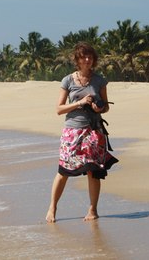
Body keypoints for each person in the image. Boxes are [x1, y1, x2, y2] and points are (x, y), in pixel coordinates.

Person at [46, 42, 118, 223]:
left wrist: (99, 107)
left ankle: (93, 209)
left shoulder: (100, 81)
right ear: (77, 60)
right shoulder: (68, 80)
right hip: (72, 130)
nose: (87, 60)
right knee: (64, 170)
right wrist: (80, 102)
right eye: (84, 57)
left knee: (94, 170)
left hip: (94, 131)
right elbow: (59, 109)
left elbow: (106, 107)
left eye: (90, 57)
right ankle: (52, 208)